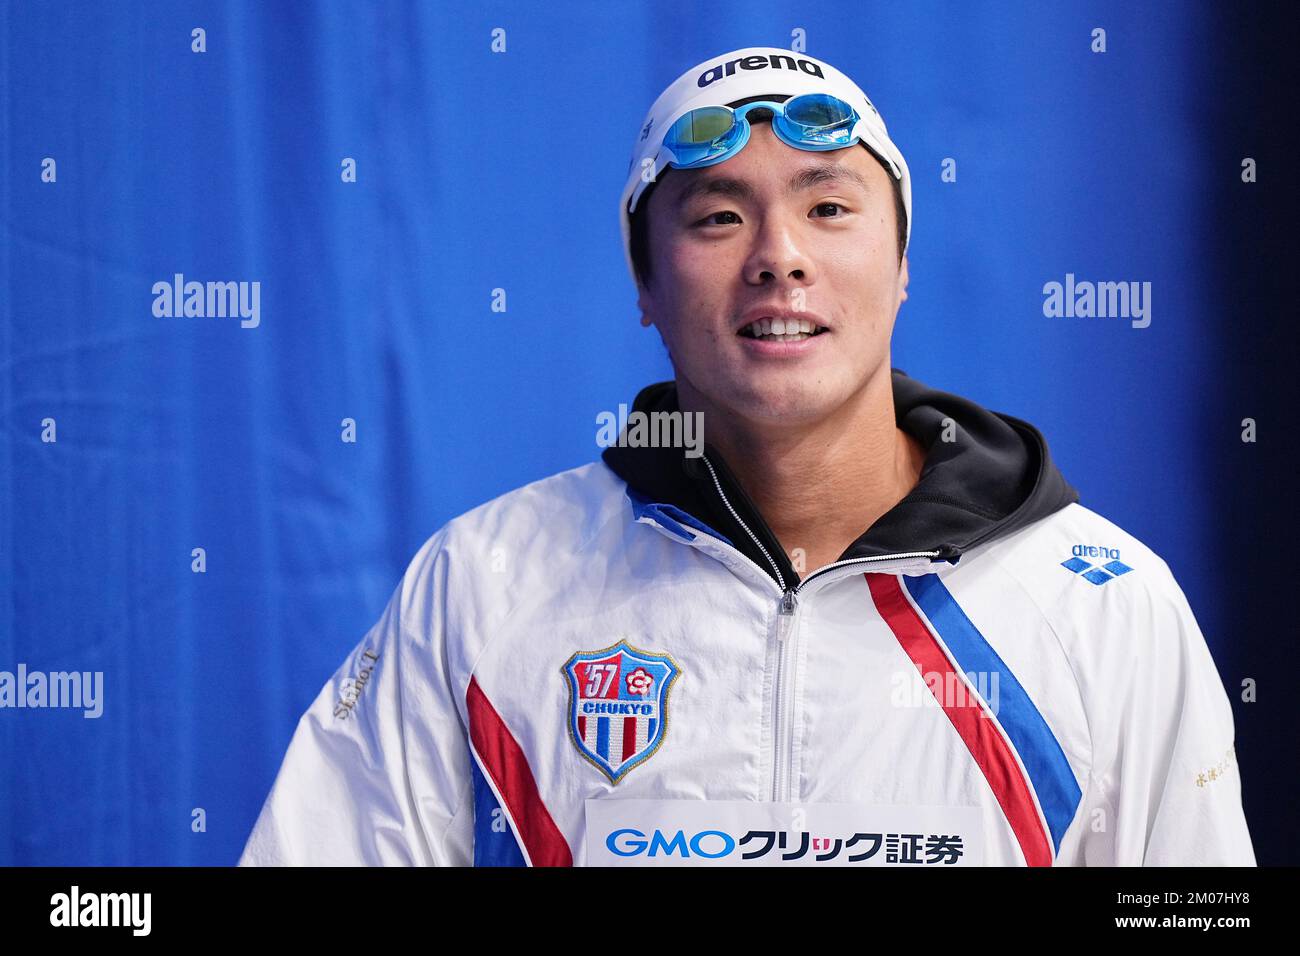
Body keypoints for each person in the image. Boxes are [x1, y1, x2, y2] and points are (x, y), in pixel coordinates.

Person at [238, 46, 1255, 867]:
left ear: (901, 268)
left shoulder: (1101, 603)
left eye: (827, 208)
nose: (779, 254)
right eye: (719, 217)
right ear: (642, 284)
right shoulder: (483, 583)